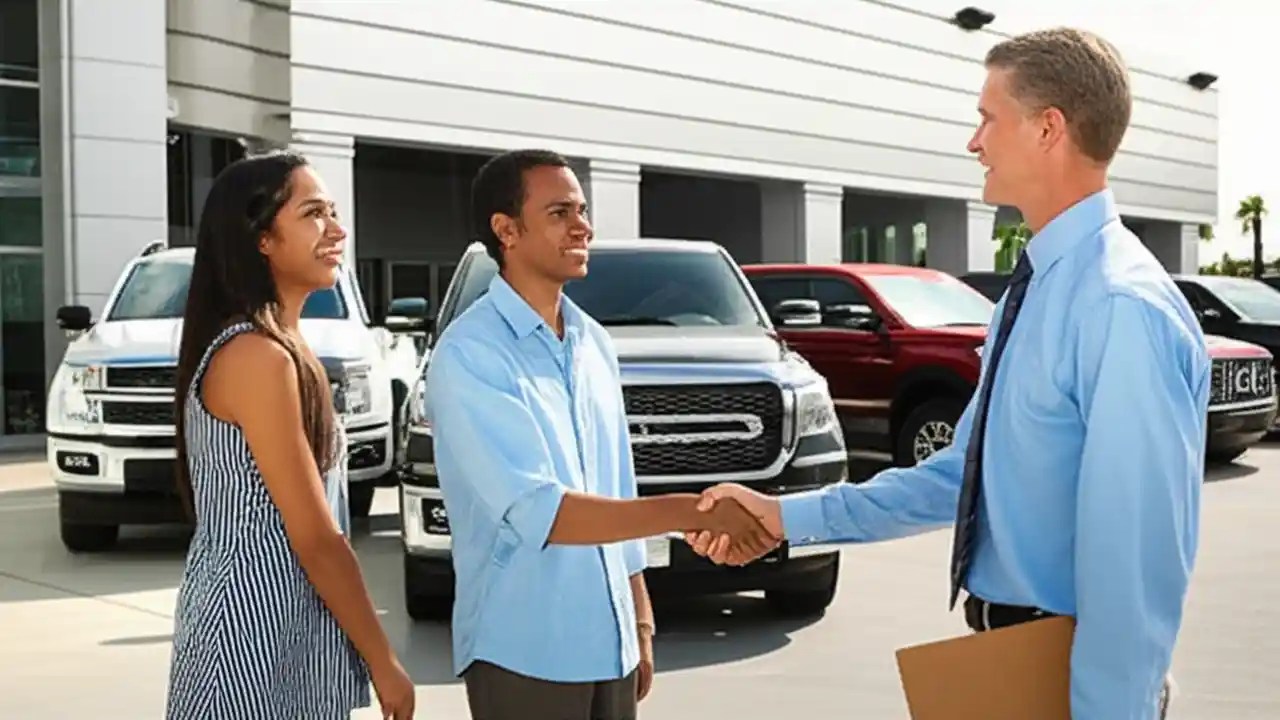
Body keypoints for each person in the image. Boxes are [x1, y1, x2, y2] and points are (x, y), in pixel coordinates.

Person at [687, 28, 1208, 720]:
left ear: (1048, 128)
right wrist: (785, 516)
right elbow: (960, 479)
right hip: (1008, 666)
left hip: (1074, 682)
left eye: (988, 118)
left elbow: (1135, 569)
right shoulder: (1035, 293)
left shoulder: (1119, 307)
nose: (975, 141)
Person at [425, 148, 776, 720]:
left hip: (609, 643)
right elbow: (544, 512)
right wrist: (697, 512)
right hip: (524, 650)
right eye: (560, 212)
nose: (583, 225)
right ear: (506, 230)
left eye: (583, 210)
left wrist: (638, 615)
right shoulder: (470, 354)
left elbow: (617, 483)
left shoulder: (592, 342)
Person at [166, 150, 416, 720]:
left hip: (295, 634)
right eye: (313, 214)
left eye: (332, 211)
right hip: (247, 642)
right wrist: (383, 661)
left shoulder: (285, 347)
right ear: (261, 240)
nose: (337, 229)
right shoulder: (255, 355)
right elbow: (316, 536)